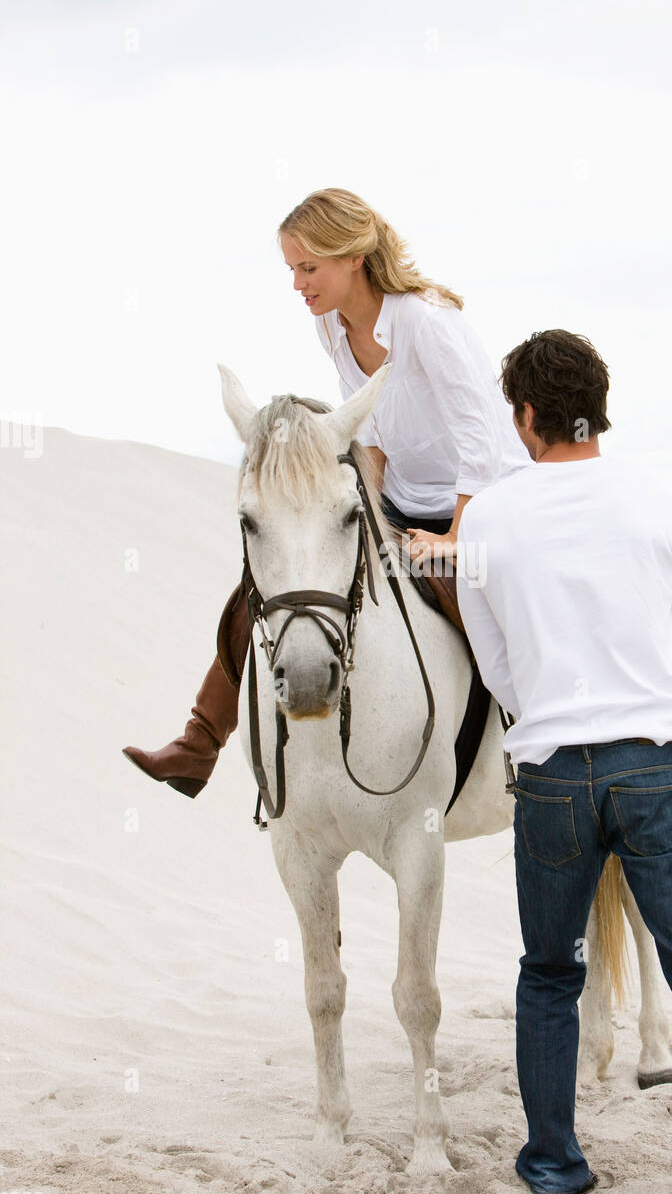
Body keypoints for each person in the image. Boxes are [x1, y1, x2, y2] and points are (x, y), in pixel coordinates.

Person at [454, 329, 672, 1194]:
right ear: (597, 405)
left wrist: (553, 721)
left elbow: (495, 667)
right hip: (659, 770)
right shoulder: (668, 498)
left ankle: (556, 1168)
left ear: (525, 415)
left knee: (550, 976)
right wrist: (658, 726)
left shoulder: (488, 515)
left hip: (553, 779)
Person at [122, 187, 528, 795]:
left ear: (353, 258)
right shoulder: (332, 327)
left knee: (493, 600)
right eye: (292, 269)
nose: (298, 285)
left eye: (308, 268)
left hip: (487, 500)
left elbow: (480, 439)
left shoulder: (426, 321)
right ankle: (198, 743)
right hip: (406, 497)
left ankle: (533, 749)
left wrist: (456, 536)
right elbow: (377, 433)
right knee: (284, 575)